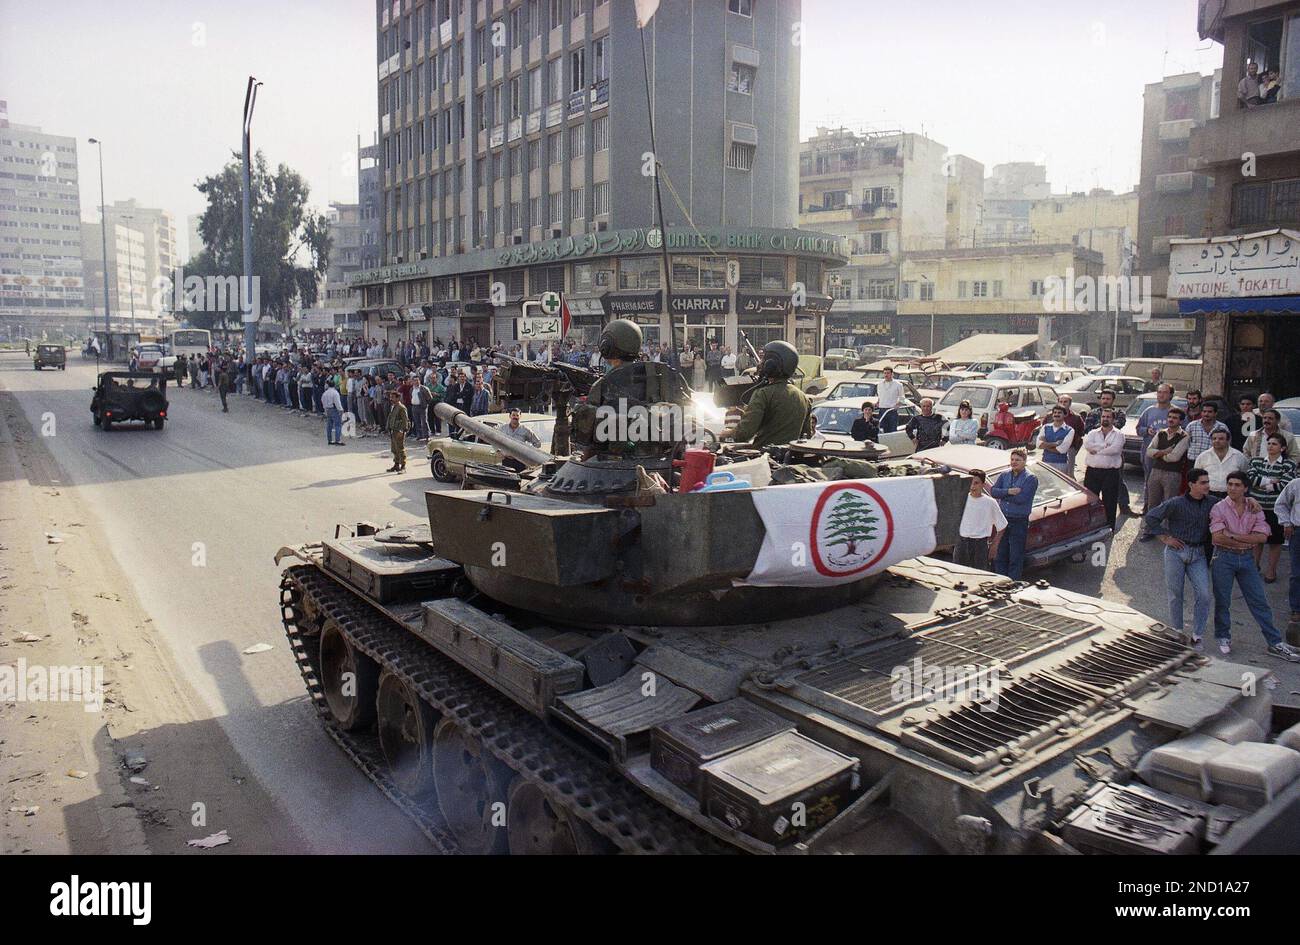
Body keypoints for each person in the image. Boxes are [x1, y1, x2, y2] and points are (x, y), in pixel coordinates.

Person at [1210, 472, 1300, 662]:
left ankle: (1274, 642)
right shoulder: (1218, 508)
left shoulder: (1254, 507)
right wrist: (1246, 539)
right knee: (1223, 600)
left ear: (1245, 488)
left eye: (1237, 485)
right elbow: (1217, 537)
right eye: (1230, 484)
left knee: (1259, 600)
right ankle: (1223, 636)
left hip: (1247, 558)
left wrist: (1233, 536)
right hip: (1224, 557)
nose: (1232, 488)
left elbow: (1262, 536)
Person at [1145, 468, 1219, 649]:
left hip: (1198, 553)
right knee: (1175, 594)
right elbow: (1151, 517)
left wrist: (1250, 501)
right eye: (1203, 482)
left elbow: (1232, 506)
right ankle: (1177, 631)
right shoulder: (1176, 503)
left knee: (1204, 594)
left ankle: (1197, 635)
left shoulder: (1213, 502)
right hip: (1176, 553)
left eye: (1208, 482)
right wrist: (1164, 538)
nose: (1207, 486)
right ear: (1192, 484)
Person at [722, 340, 813, 448]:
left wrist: (725, 434)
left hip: (764, 457)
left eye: (763, 360)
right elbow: (807, 435)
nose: (760, 363)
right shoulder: (803, 397)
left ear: (771, 365)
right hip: (789, 457)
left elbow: (744, 433)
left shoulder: (763, 393)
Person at [1246, 433, 1295, 582]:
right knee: (1256, 539)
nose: (1270, 446)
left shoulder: (1288, 464)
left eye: (1274, 444)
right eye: (1269, 443)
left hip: (1276, 509)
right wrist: (1271, 481)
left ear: (1283, 447)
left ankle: (1271, 571)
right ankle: (1253, 567)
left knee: (1275, 541)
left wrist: (1263, 484)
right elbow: (1250, 479)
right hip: (1257, 507)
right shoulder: (1256, 461)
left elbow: (1285, 485)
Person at [989, 448, 1038, 580]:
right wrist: (1009, 491)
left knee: (1016, 555)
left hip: (1019, 521)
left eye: (1018, 460)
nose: (1014, 462)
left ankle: (1013, 582)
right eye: (1012, 459)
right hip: (1003, 519)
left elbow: (1021, 499)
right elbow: (993, 491)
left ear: (1024, 461)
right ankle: (1001, 580)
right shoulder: (1004, 475)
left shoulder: (1030, 478)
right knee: (1001, 553)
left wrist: (1002, 494)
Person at [1140, 407, 1188, 541]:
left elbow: (1174, 457)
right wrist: (1164, 451)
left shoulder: (1184, 436)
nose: (1171, 420)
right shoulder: (1161, 433)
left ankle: (1167, 534)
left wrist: (1158, 454)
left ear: (1181, 421)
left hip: (1173, 473)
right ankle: (1149, 530)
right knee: (1152, 502)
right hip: (1155, 471)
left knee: (1169, 504)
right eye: (1170, 417)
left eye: (1175, 418)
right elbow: (1149, 452)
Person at [954, 469, 1005, 570]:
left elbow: (1002, 526)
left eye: (976, 483)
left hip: (979, 546)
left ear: (983, 484)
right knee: (958, 573)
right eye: (970, 483)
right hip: (962, 544)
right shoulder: (961, 499)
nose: (972, 486)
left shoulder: (990, 503)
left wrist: (994, 546)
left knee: (980, 575)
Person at [1082, 407, 1125, 529]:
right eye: (1103, 416)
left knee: (1109, 502)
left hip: (1110, 473)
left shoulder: (1119, 435)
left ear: (1113, 419)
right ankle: (1090, 527)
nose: (1105, 419)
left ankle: (1109, 527)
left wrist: (1097, 450)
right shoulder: (1092, 433)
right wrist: (1105, 445)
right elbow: (1087, 445)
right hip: (1092, 472)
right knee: (1090, 501)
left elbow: (1115, 450)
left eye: (1108, 417)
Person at [1272, 472, 1300, 625]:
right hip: (1298, 532)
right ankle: (1297, 608)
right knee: (1297, 573)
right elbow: (1281, 504)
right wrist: (1286, 523)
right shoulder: (1295, 484)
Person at [1196, 428, 1248, 499]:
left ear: (1228, 440)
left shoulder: (1239, 457)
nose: (1217, 441)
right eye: (1214, 438)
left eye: (1221, 439)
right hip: (1208, 495)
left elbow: (1244, 476)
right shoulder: (1202, 456)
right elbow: (1196, 477)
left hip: (1231, 495)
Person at [1037, 404, 1075, 472]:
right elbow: (1038, 445)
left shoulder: (1070, 430)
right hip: (1045, 462)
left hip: (1060, 464)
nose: (1056, 414)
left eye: (1059, 413)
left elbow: (1061, 450)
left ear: (1064, 415)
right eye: (1055, 412)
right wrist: (1055, 444)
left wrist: (1045, 444)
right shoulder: (1045, 427)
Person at [1057, 395, 1085, 474]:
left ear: (1070, 403)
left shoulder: (1076, 418)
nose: (1063, 403)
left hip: (1070, 449)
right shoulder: (1050, 416)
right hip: (1052, 449)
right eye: (1061, 401)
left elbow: (1081, 432)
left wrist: (1075, 448)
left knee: (1069, 475)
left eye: (1065, 402)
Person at [385, 389, 410, 473]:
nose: (391, 399)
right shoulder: (393, 407)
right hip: (393, 430)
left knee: (400, 449)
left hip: (399, 431)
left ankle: (403, 466)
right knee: (394, 449)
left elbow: (405, 420)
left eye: (393, 397)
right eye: (390, 397)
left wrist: (402, 431)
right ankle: (396, 465)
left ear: (398, 398)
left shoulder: (401, 408)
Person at [876, 366, 904, 434]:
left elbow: (902, 399)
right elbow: (880, 397)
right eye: (885, 373)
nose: (886, 375)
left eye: (888, 373)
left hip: (892, 411)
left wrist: (897, 405)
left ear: (892, 374)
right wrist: (877, 403)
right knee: (882, 431)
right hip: (882, 410)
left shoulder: (898, 385)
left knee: (892, 432)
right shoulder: (879, 384)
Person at [322, 378, 345, 446]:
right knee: (338, 425)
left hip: (328, 409)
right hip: (334, 409)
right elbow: (337, 402)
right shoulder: (335, 393)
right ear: (334, 385)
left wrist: (325, 409)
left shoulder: (325, 393)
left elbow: (323, 401)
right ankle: (338, 440)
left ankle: (330, 440)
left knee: (329, 425)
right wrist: (341, 410)